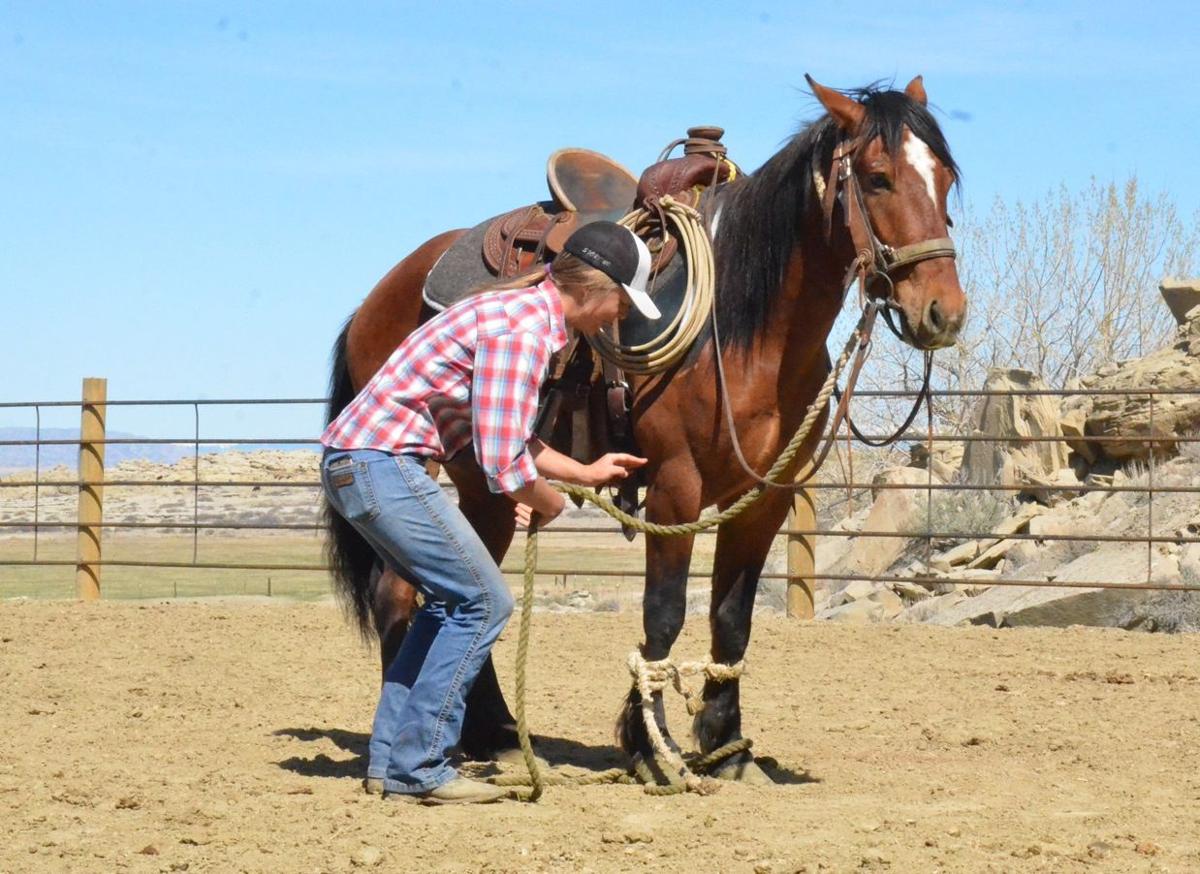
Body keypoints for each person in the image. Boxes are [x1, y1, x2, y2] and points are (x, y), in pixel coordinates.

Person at [320, 221, 661, 805]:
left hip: (367, 464)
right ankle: (420, 765)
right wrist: (543, 501)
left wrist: (582, 473)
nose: (617, 318)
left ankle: (391, 759)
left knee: (454, 600)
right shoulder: (522, 333)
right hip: (383, 465)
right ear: (596, 289)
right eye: (621, 304)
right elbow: (503, 461)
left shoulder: (512, 316)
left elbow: (505, 440)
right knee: (482, 601)